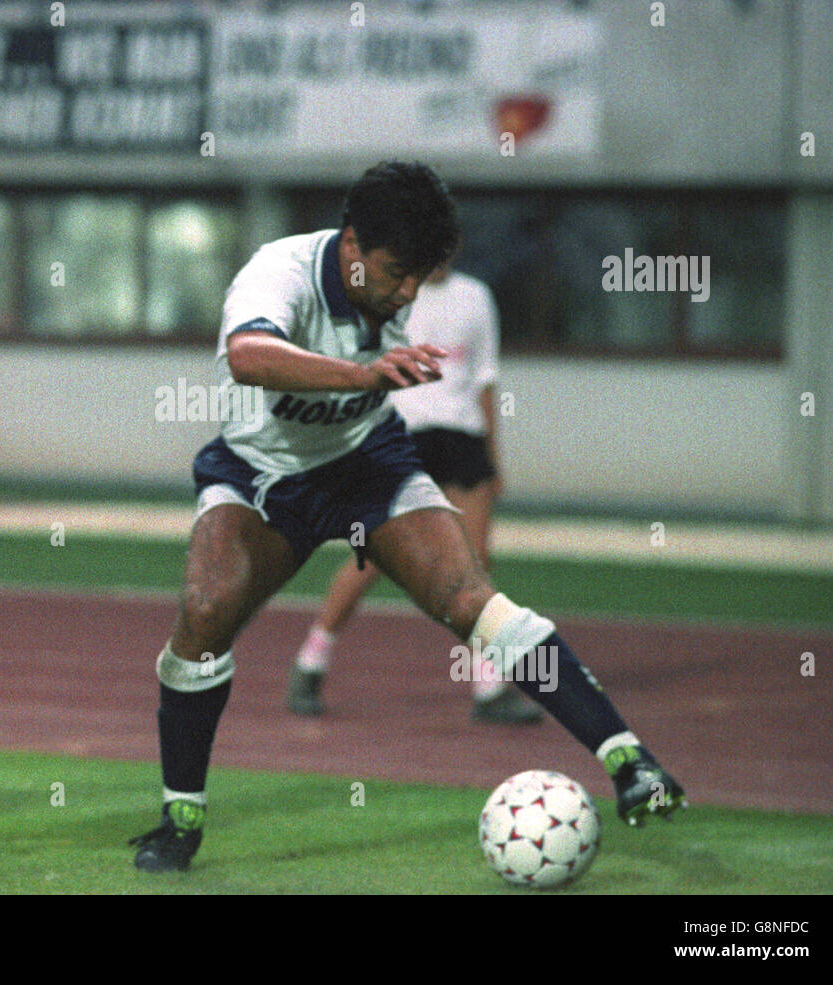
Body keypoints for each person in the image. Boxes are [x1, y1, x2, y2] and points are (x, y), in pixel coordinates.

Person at [128, 161, 685, 873]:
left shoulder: (394, 278)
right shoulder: (280, 272)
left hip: (369, 464)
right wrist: (362, 376)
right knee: (204, 612)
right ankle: (181, 815)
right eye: (396, 273)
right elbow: (247, 355)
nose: (407, 291)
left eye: (420, 276)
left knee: (469, 598)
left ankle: (629, 759)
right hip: (262, 475)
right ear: (351, 244)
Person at [287, 262, 544, 724]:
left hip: (463, 439)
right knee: (375, 559)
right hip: (406, 438)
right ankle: (311, 661)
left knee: (475, 565)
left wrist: (493, 454)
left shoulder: (476, 295)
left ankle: (487, 688)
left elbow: (485, 377)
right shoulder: (389, 295)